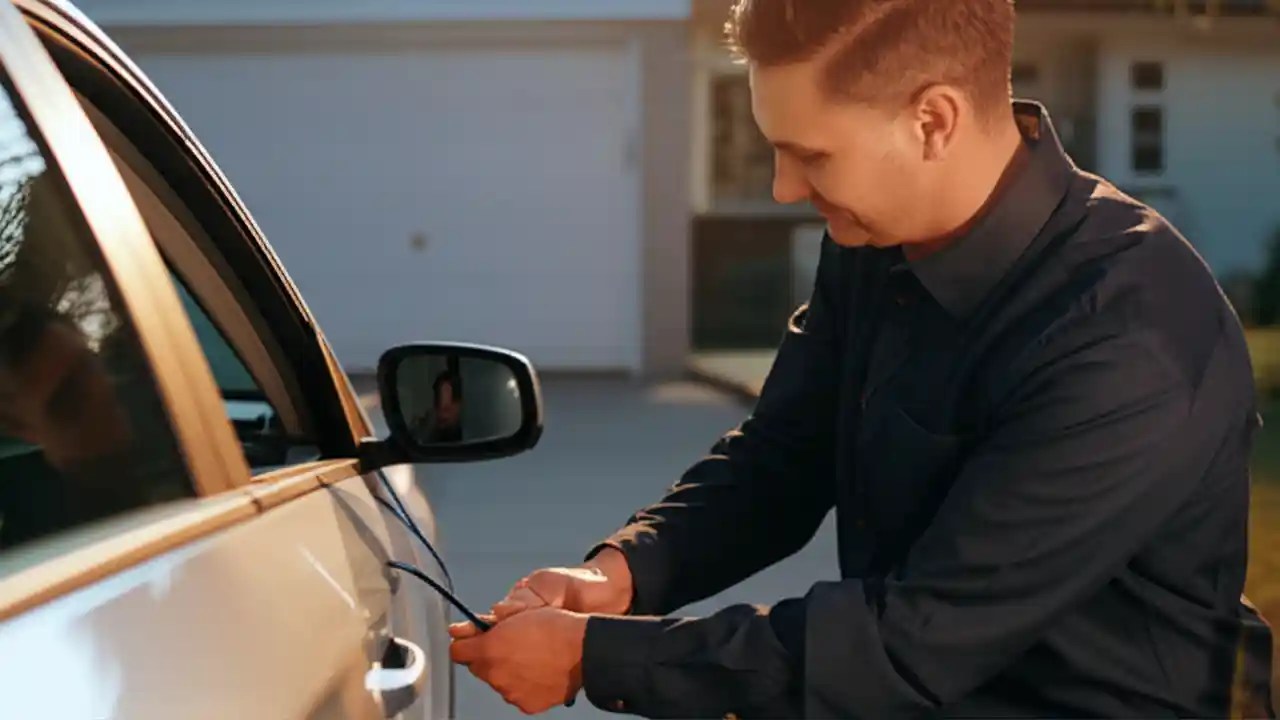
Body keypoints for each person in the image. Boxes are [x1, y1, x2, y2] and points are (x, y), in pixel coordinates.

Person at [449, 0, 1276, 716]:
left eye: (810, 155)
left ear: (933, 121)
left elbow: (916, 641)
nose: (781, 188)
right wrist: (623, 573)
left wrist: (597, 658)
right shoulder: (874, 240)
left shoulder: (1128, 334)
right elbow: (783, 455)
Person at [413, 370, 463, 444]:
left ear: (460, 404)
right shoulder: (424, 430)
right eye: (438, 401)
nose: (443, 413)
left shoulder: (470, 435)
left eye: (447, 408)